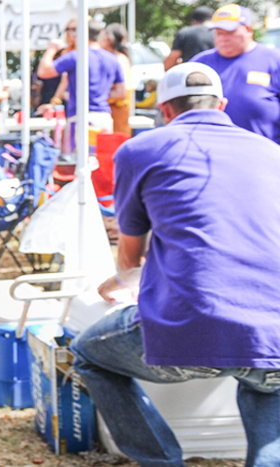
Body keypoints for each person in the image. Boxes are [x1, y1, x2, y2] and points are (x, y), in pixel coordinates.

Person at [71, 62, 280, 467]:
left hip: (193, 328)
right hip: (274, 333)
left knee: (88, 353)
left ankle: (161, 461)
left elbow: (131, 259)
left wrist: (115, 283)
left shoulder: (141, 149)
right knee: (268, 384)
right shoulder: (272, 152)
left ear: (164, 110)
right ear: (222, 105)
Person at [192, 4, 280, 145]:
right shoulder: (200, 63)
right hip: (210, 150)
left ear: (248, 30)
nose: (223, 38)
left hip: (263, 151)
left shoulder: (274, 60)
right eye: (219, 33)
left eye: (230, 33)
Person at [37, 20, 125, 155]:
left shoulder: (76, 56)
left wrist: (51, 49)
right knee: (100, 161)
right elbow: (121, 92)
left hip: (80, 119)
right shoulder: (112, 59)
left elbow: (44, 71)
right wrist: (98, 93)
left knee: (77, 161)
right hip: (104, 118)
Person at [101, 23, 133, 136]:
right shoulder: (105, 57)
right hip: (106, 109)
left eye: (103, 36)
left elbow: (123, 91)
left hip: (117, 111)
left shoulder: (120, 59)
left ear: (110, 39)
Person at [164, 6, 215, 70]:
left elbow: (169, 63)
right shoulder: (220, 34)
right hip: (215, 73)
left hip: (191, 73)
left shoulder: (184, 33)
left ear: (194, 21)